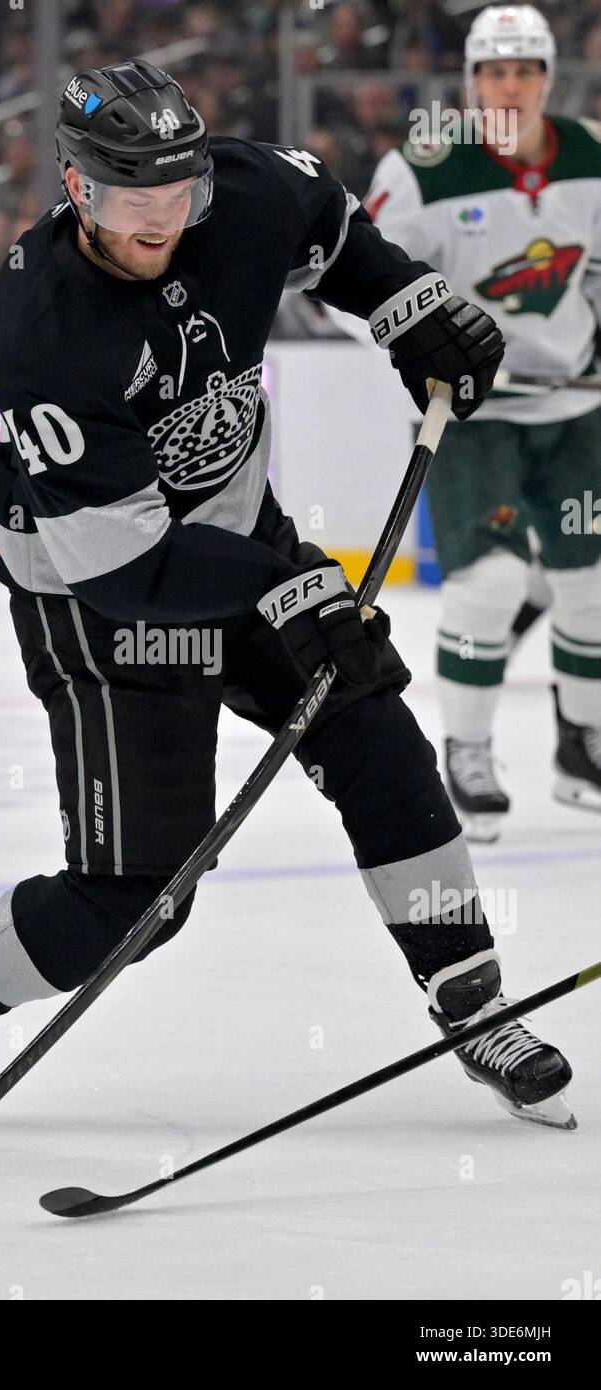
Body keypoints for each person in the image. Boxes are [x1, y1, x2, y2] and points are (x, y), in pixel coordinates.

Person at [0, 61, 575, 1138]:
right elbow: (128, 570)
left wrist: (410, 306)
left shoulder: (242, 192)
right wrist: (286, 585)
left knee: (372, 730)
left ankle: (473, 1000)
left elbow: (332, 229)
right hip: (97, 596)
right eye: (134, 203)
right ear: (78, 190)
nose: (162, 223)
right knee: (138, 895)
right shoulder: (45, 331)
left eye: (180, 196)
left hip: (232, 537)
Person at [365, 5, 601, 841]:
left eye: (525, 71)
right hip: (477, 411)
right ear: (471, 83)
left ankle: (582, 748)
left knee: (593, 584)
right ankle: (468, 750)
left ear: (546, 77)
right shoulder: (426, 170)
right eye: (494, 73)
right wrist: (415, 342)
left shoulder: (592, 153)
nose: (510, 86)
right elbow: (359, 274)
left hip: (578, 408)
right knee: (492, 583)